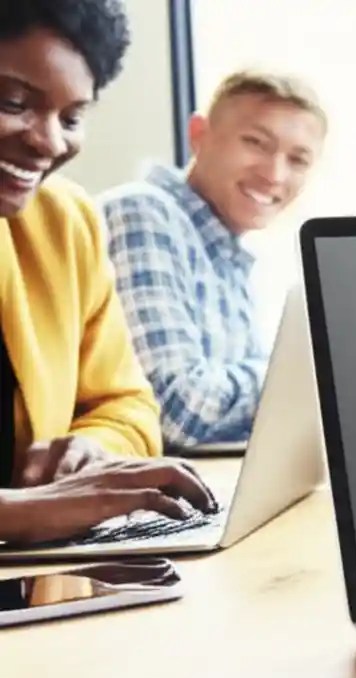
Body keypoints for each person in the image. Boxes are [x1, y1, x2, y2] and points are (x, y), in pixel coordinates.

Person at [0, 0, 215, 544]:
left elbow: (125, 403)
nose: (49, 141)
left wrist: (93, 451)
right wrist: (24, 512)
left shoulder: (62, 223)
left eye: (72, 117)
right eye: (13, 102)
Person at [99, 70, 326, 449]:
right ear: (199, 134)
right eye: (256, 142)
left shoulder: (228, 253)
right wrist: (297, 372)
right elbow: (177, 411)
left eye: (298, 160)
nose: (274, 174)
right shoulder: (143, 211)